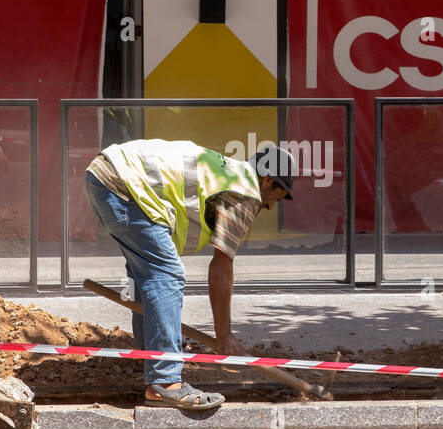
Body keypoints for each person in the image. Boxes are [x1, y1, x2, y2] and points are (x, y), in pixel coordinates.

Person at [85, 139, 293, 410]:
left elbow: (139, 282)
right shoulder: (245, 190)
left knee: (143, 275)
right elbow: (221, 267)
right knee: (167, 276)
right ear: (266, 180)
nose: (271, 207)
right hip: (124, 184)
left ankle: (147, 353)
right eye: (277, 196)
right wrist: (224, 334)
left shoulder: (226, 174)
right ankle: (165, 383)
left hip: (102, 179)